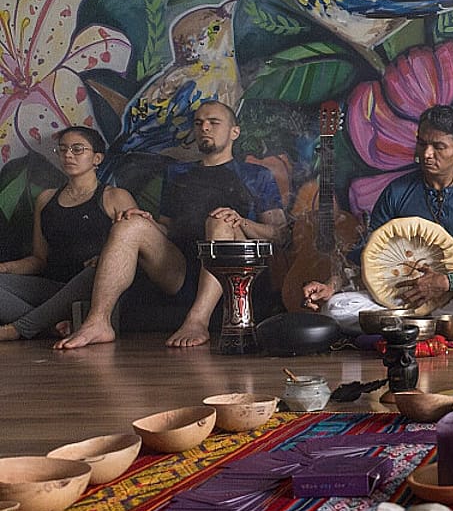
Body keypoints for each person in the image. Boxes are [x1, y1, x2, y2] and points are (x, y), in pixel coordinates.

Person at [54, 102, 287, 349]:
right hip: (182, 271)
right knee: (129, 224)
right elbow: (169, 229)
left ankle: (198, 319)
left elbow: (279, 235)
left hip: (236, 277)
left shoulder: (257, 175)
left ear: (234, 132)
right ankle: (98, 322)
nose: (204, 128)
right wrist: (147, 222)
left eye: (213, 123)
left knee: (219, 221)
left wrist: (241, 222)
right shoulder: (177, 172)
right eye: (198, 123)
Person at [303, 105, 453, 328]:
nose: (426, 154)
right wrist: (332, 285)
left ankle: (413, 326)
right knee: (335, 307)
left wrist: (446, 281)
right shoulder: (397, 191)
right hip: (401, 299)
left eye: (438, 147)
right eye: (422, 143)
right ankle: (438, 325)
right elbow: (367, 253)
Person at [0, 128, 137, 341]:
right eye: (63, 149)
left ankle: (19, 329)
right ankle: (52, 327)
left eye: (77, 149)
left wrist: (105, 260)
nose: (68, 155)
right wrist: (5, 268)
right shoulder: (46, 199)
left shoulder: (115, 197)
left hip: (94, 288)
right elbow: (38, 260)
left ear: (97, 158)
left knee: (100, 268)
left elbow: (134, 249)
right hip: (53, 288)